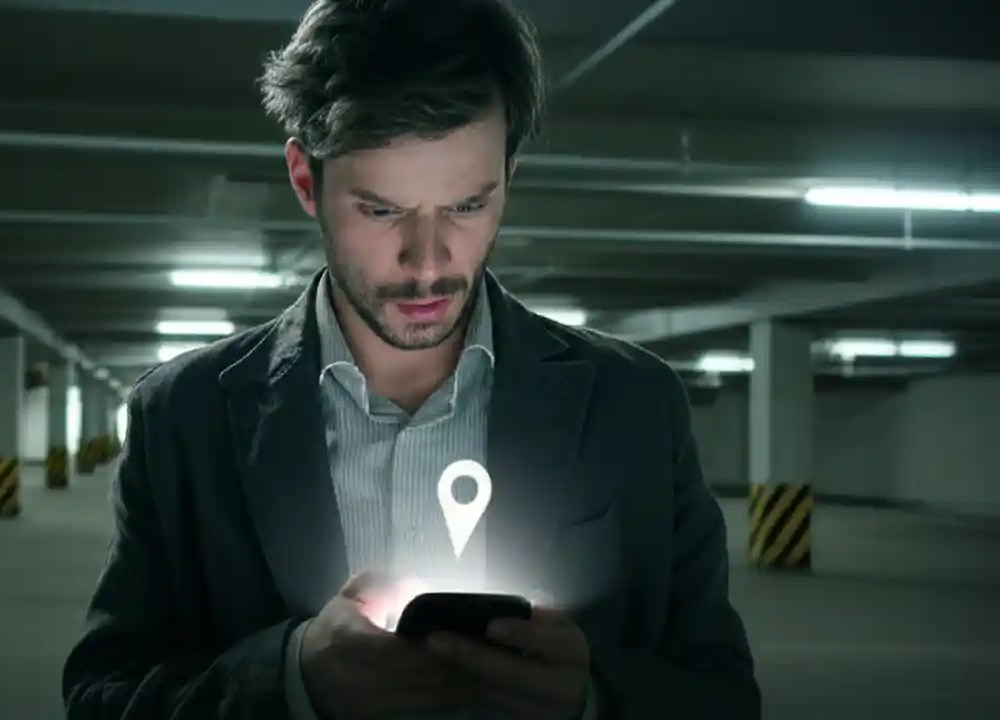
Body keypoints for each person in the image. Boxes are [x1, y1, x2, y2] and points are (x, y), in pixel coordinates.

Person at [61, 0, 761, 717]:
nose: (428, 263)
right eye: (381, 210)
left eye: (466, 206)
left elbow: (723, 695)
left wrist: (591, 699)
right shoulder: (182, 419)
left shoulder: (636, 405)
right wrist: (294, 677)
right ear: (306, 180)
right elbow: (102, 698)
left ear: (508, 174)